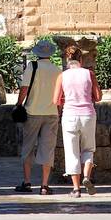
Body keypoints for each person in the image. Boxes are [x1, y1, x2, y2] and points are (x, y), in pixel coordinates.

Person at [15, 40, 61, 195]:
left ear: (37, 52)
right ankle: (44, 185)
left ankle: (27, 182)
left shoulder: (32, 67)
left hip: (33, 112)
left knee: (28, 147)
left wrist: (18, 104)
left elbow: (24, 88)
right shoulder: (57, 70)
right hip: (51, 113)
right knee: (48, 149)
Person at [54, 45, 100, 197]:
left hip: (69, 116)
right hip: (87, 114)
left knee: (72, 152)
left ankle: (76, 189)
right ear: (81, 59)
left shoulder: (62, 76)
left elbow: (56, 100)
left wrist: (64, 102)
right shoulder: (89, 74)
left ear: (67, 59)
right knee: (88, 148)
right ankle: (86, 177)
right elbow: (98, 97)